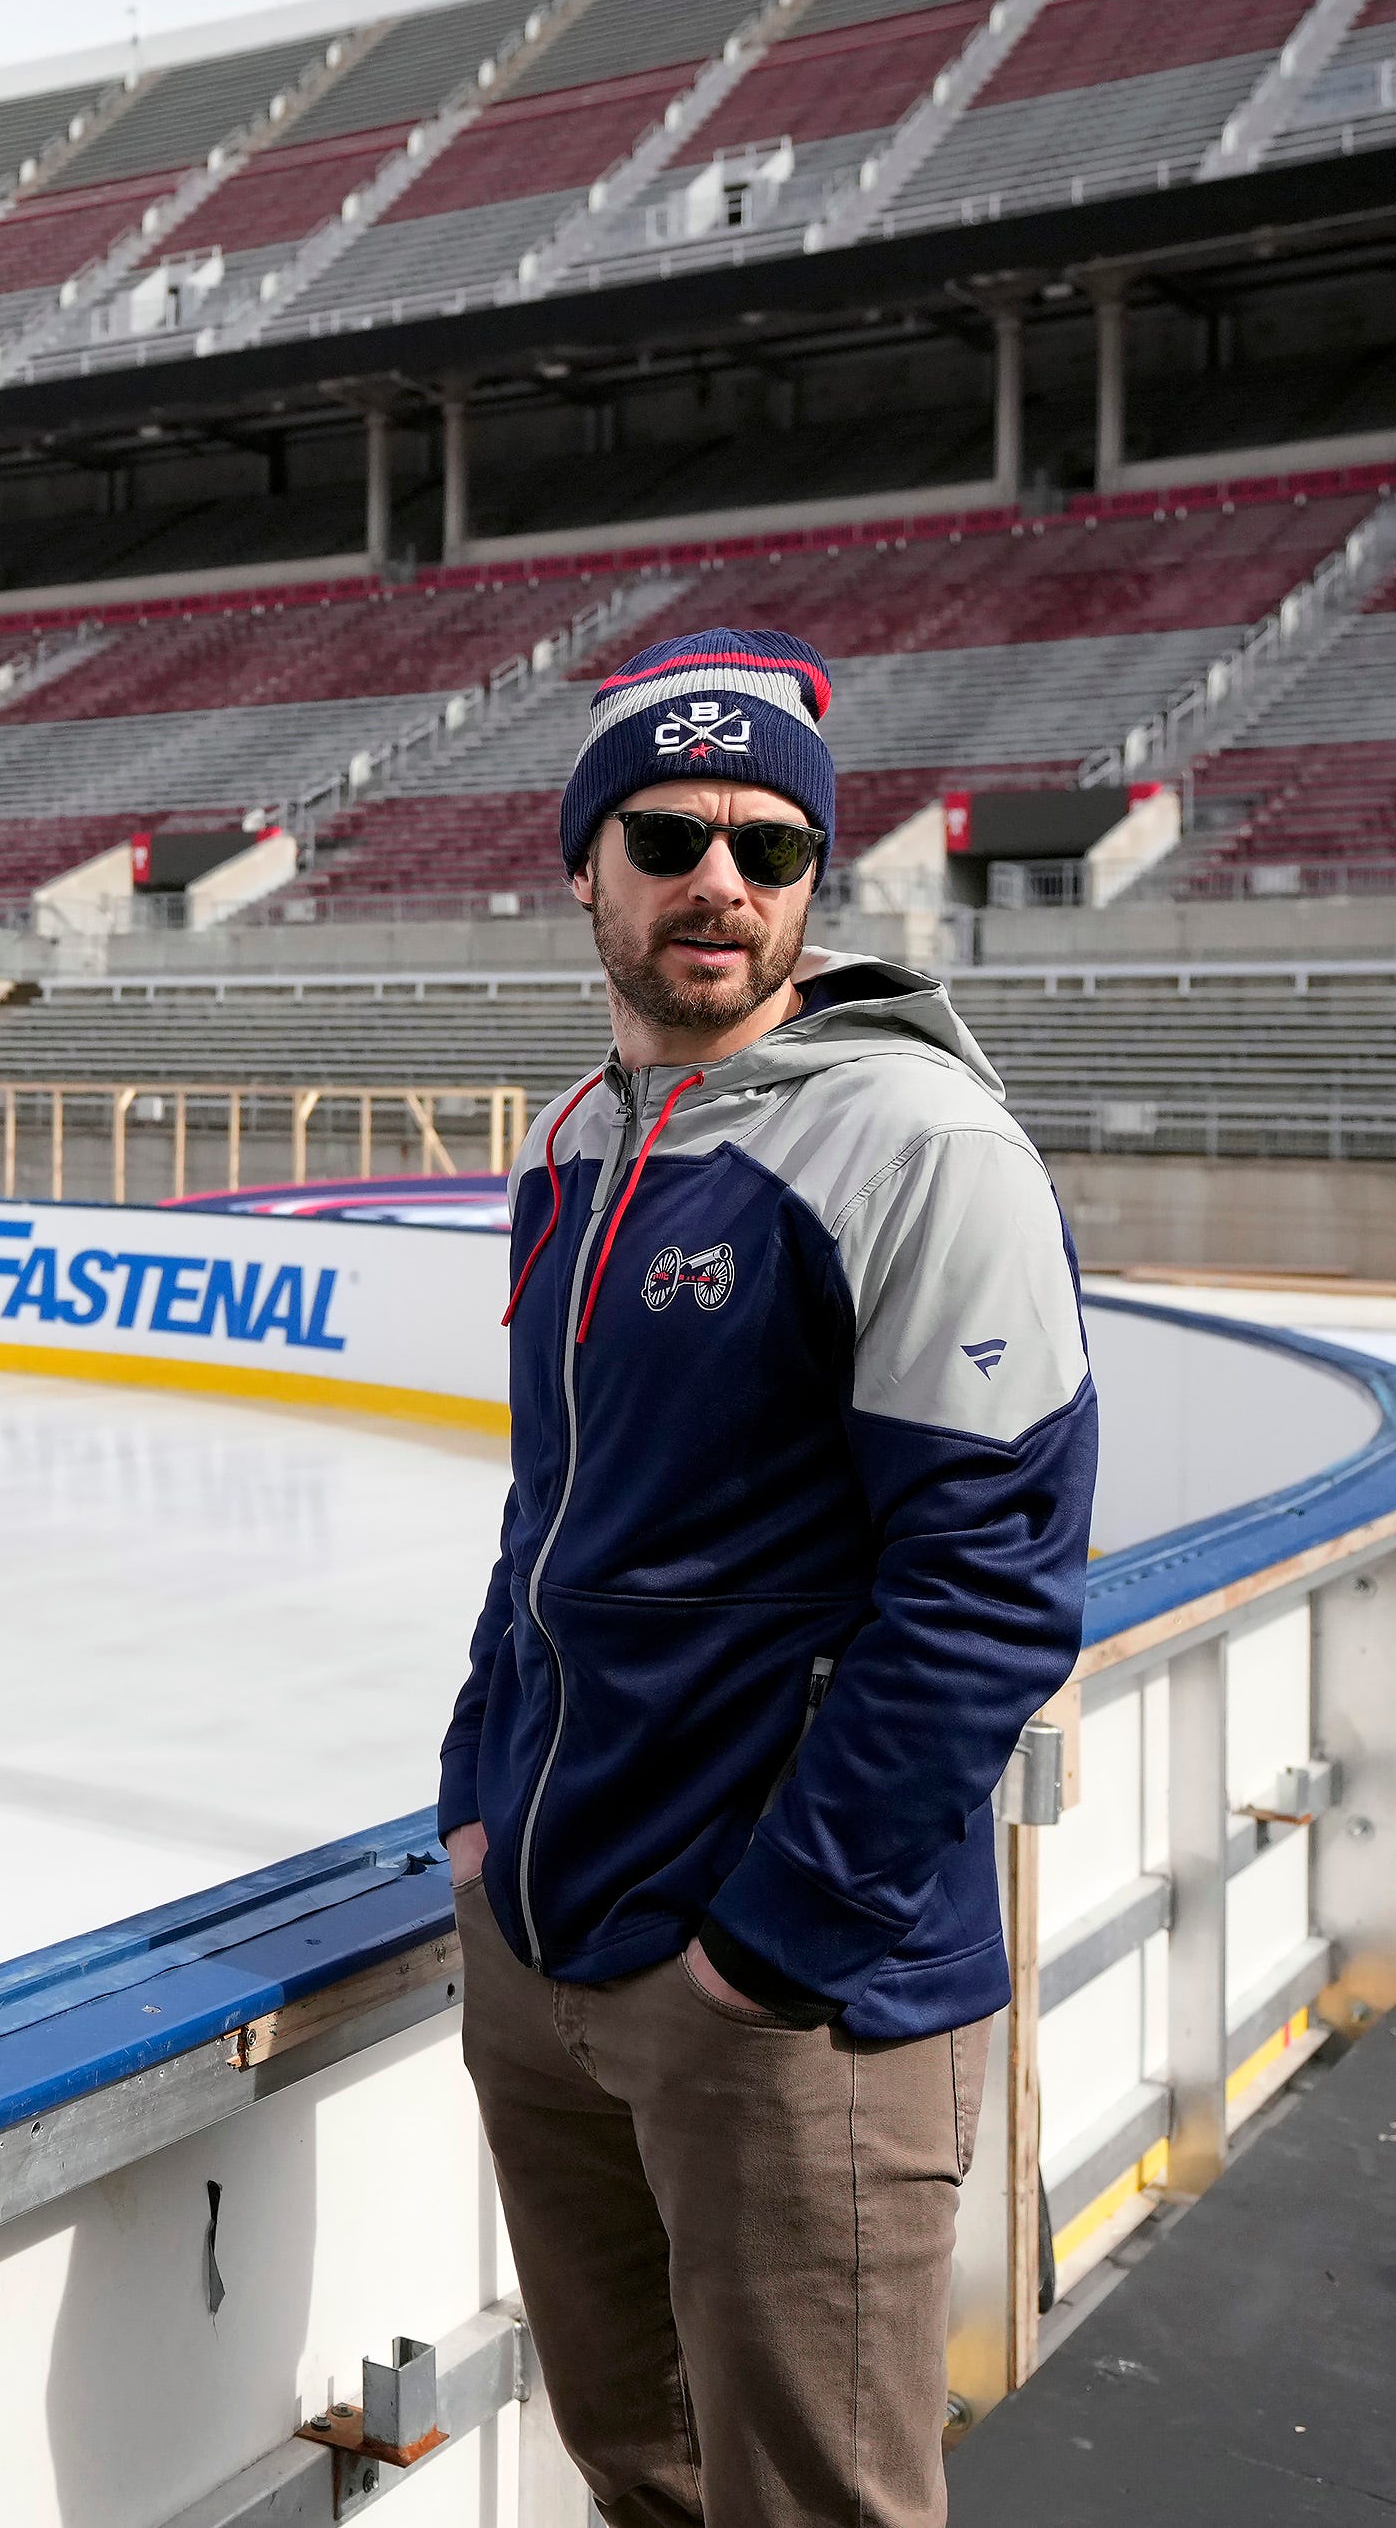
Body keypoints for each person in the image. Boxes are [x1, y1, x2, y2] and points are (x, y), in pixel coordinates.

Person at [439, 627, 1094, 2528]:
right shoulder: (578, 1140)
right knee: (637, 2468)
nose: (719, 880)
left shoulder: (919, 1143)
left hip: (787, 2006)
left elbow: (987, 1593)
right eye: (665, 832)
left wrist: (769, 1951)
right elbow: (545, 1522)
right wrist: (481, 1809)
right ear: (584, 862)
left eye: (771, 846)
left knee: (814, 2505)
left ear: (817, 877)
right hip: (548, 1944)